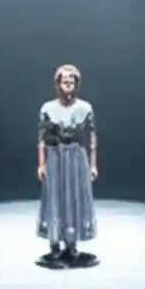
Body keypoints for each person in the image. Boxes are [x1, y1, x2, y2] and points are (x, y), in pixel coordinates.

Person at [36, 64, 98, 268]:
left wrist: (93, 164)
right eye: (65, 81)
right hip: (56, 157)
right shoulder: (48, 108)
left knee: (75, 197)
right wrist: (41, 164)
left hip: (76, 158)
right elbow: (42, 139)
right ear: (58, 84)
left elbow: (91, 138)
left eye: (72, 81)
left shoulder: (85, 108)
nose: (68, 84)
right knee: (56, 197)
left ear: (76, 84)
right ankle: (55, 244)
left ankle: (72, 245)